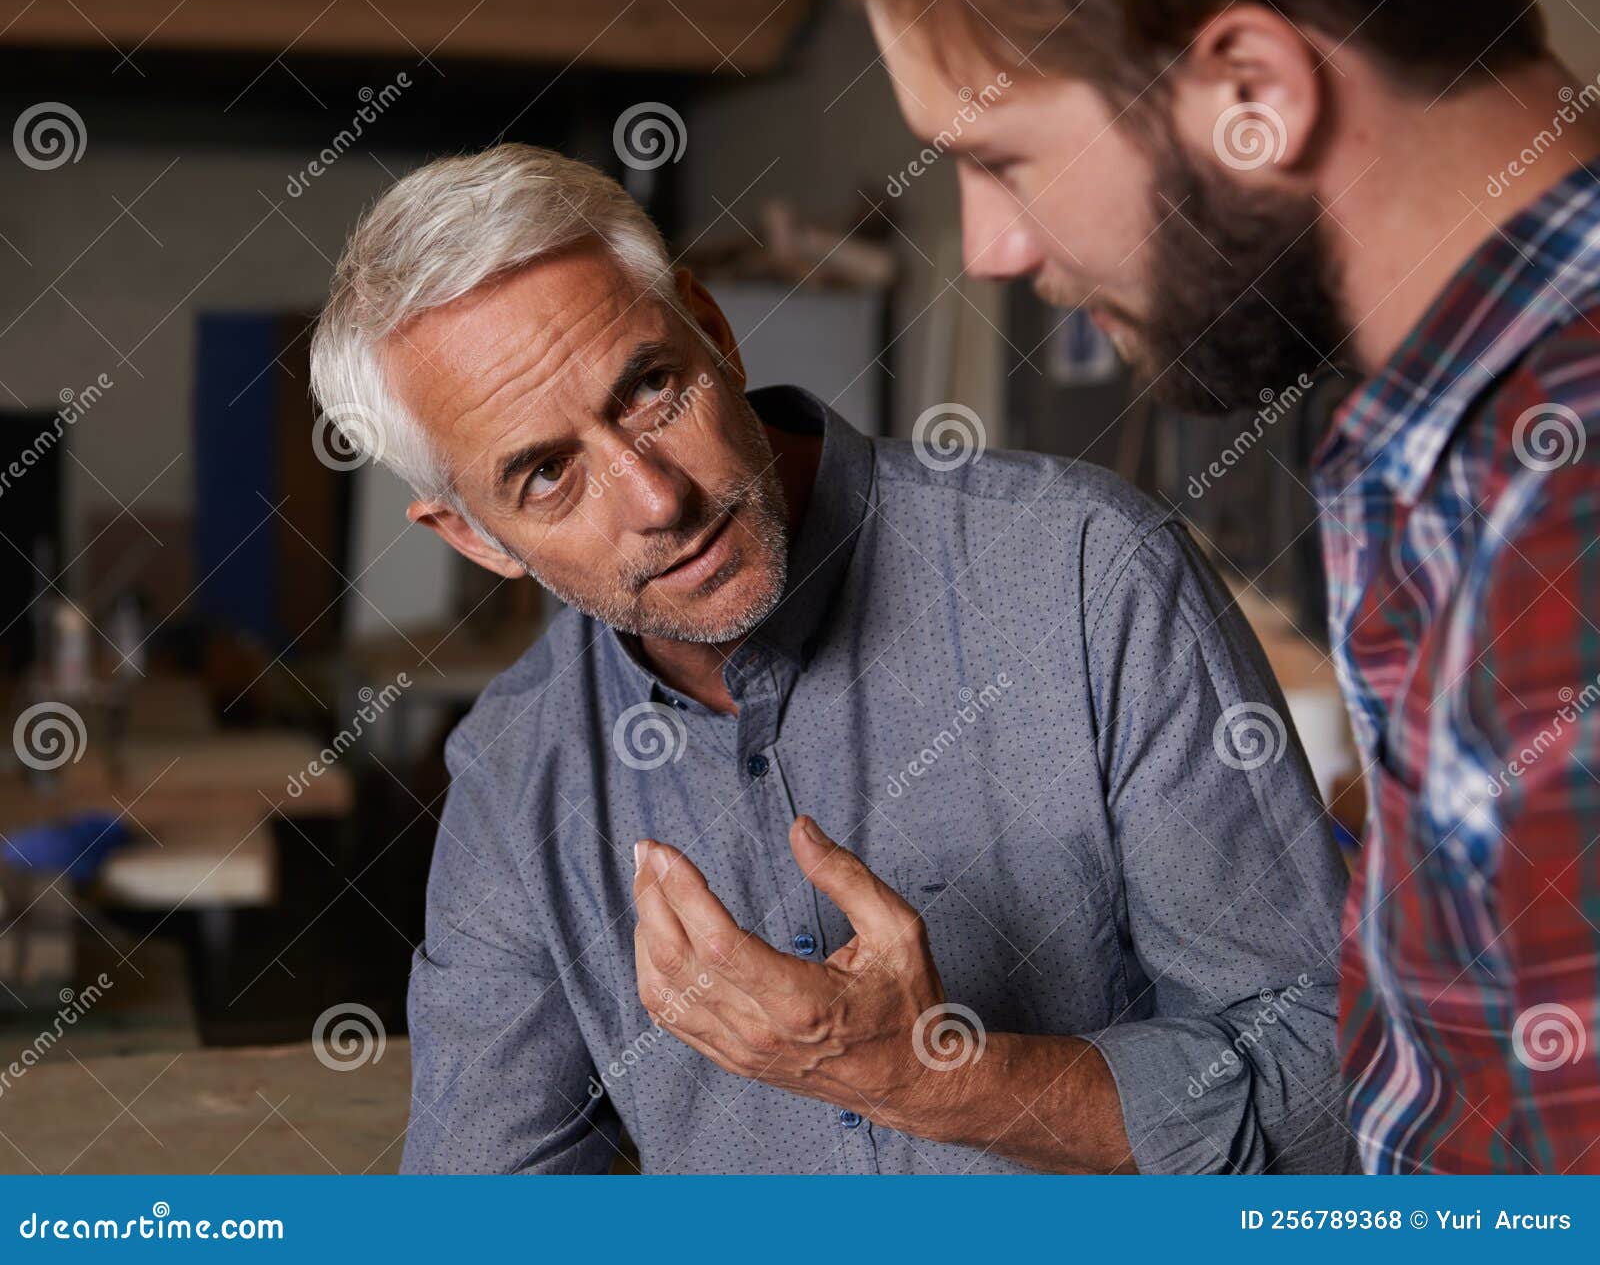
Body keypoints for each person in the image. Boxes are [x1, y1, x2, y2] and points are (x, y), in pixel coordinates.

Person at [310, 144, 1351, 1174]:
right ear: (472, 538)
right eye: (545, 475)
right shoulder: (517, 768)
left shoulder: (1084, 577)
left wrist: (934, 1080)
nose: (655, 498)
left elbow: (1334, 1076)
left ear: (712, 331)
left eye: (649, 388)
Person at [841, 0, 1600, 1173]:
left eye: (999, 159)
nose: (986, 247)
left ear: (1253, 88)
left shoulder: (1564, 513)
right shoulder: (1440, 459)